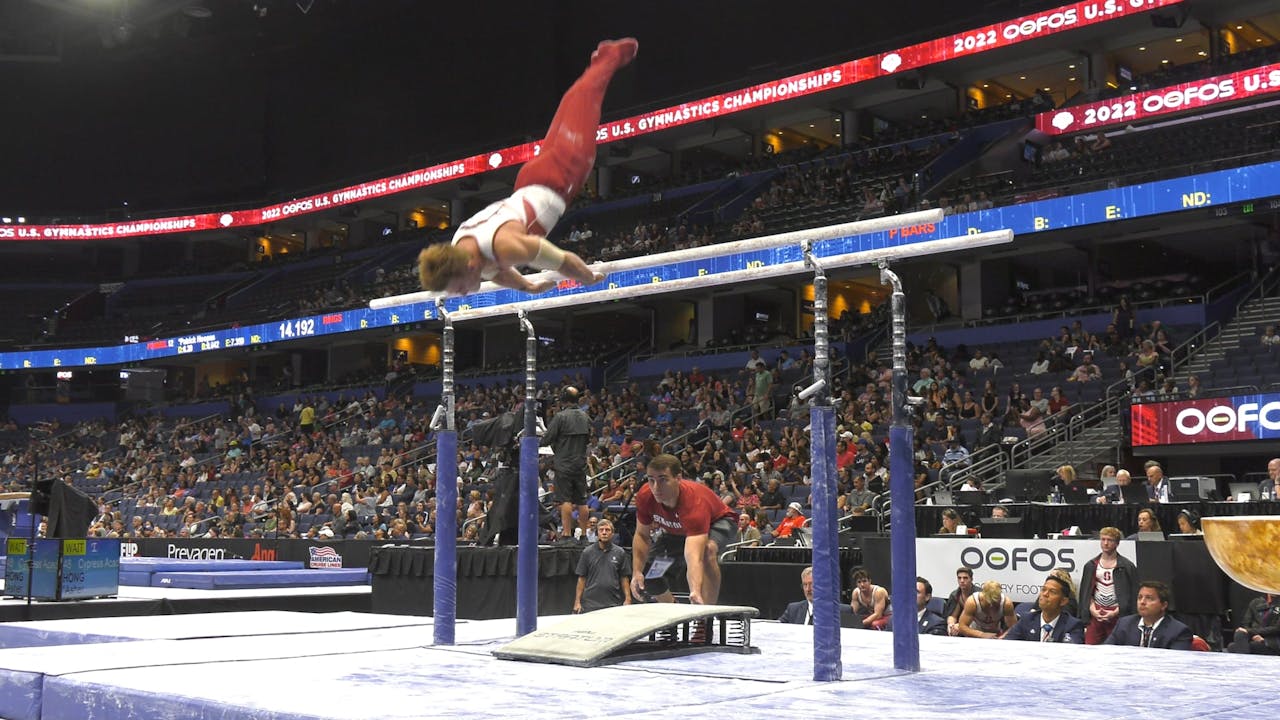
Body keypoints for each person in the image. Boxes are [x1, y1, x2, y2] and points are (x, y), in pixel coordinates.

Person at [416, 38, 638, 295]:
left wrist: (588, 278)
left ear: (469, 266)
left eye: (460, 288)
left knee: (587, 103)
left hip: (560, 178)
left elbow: (563, 261)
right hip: (529, 182)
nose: (463, 293)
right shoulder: (461, 246)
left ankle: (609, 58)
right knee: (572, 105)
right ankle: (599, 64)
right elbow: (495, 271)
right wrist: (528, 286)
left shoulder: (506, 246)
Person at [631, 453, 736, 605]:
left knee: (707, 551)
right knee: (648, 577)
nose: (656, 487)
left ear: (678, 478)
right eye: (651, 480)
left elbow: (694, 556)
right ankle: (672, 608)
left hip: (719, 522)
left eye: (663, 480)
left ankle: (704, 616)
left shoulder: (694, 502)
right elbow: (642, 535)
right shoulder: (645, 496)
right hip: (679, 531)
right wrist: (636, 572)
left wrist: (695, 591)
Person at [541, 386, 594, 542]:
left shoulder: (560, 417)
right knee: (582, 500)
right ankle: (584, 535)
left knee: (565, 500)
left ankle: (566, 534)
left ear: (563, 400)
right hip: (580, 464)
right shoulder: (585, 417)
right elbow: (589, 438)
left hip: (564, 464)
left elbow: (546, 439)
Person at [1079, 526, 1138, 644]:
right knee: (1089, 649)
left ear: (1117, 543)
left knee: (1117, 650)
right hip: (1096, 614)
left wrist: (1117, 611)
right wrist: (1092, 610)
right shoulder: (1091, 565)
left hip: (1118, 616)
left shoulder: (1127, 566)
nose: (1105, 543)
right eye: (1103, 539)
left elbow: (1132, 594)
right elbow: (1085, 593)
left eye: (1110, 540)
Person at [1104, 581, 1194, 650]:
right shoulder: (1124, 624)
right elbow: (1107, 651)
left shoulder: (1179, 631)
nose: (1142, 602)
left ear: (1163, 605)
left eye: (1149, 598)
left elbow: (1176, 664)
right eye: (1139, 597)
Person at [1004, 574, 1085, 643]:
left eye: (1052, 592)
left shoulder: (1073, 626)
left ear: (1063, 601)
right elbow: (1009, 644)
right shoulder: (1026, 620)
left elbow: (1072, 654)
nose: (1045, 594)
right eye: (1043, 590)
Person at [573, 518, 631, 613]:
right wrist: (577, 601)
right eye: (601, 530)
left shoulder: (620, 552)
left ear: (612, 534)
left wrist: (628, 599)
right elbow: (581, 578)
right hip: (590, 604)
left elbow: (624, 578)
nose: (604, 533)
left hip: (613, 603)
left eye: (607, 530)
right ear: (597, 533)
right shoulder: (587, 552)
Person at [944, 567, 976, 635]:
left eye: (965, 578)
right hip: (958, 628)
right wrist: (951, 625)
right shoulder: (955, 595)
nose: (962, 581)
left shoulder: (979, 595)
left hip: (978, 628)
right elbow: (952, 616)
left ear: (971, 579)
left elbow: (981, 618)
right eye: (959, 578)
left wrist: (960, 626)